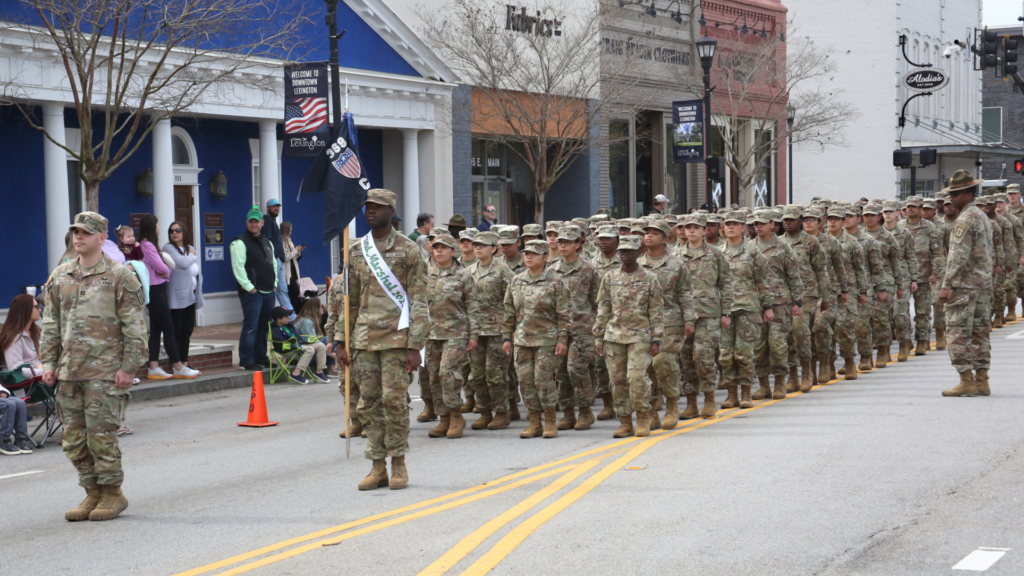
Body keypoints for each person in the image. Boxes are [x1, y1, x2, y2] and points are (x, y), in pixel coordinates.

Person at [40, 211, 147, 521]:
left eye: (86, 232)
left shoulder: (119, 275)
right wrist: (48, 362)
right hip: (69, 372)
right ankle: (92, 493)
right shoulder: (61, 274)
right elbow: (51, 323)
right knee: (74, 441)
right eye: (76, 231)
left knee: (101, 438)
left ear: (102, 238)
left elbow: (135, 326)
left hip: (105, 372)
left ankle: (112, 493)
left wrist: (129, 367)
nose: (78, 237)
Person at [331, 189, 428, 491]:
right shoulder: (357, 250)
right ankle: (377, 467)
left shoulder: (409, 250)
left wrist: (416, 346)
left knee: (394, 403)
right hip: (363, 341)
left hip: (397, 341)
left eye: (377, 207)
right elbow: (350, 300)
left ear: (391, 211)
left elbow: (419, 299)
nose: (370, 211)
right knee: (368, 406)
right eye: (368, 207)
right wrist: (341, 341)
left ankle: (398, 463)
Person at [594, 235, 664, 437]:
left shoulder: (649, 278)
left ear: (638, 253)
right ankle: (625, 421)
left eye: (629, 251)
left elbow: (656, 310)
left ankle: (643, 417)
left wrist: (657, 338)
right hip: (614, 337)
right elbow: (603, 308)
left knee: (636, 378)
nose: (625, 254)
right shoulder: (610, 278)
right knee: (617, 382)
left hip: (640, 336)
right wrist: (598, 337)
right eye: (622, 251)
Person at [502, 239, 571, 439]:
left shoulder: (556, 282)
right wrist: (506, 337)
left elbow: (564, 314)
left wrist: (562, 339)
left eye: (534, 254)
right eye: (526, 253)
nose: (529, 257)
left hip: (547, 341)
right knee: (525, 381)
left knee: (543, 381)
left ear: (545, 257)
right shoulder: (516, 281)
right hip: (522, 341)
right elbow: (509, 311)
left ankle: (550, 421)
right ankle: (534, 422)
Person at [939, 171, 995, 397]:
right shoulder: (981, 216)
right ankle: (982, 380)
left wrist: (947, 285)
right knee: (980, 332)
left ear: (969, 194)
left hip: (964, 286)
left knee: (957, 332)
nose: (951, 197)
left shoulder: (964, 219)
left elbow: (958, 255)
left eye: (956, 193)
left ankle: (966, 380)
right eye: (951, 193)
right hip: (982, 284)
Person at [423, 233, 479, 439]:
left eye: (443, 248)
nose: (438, 251)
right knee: (433, 377)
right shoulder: (426, 274)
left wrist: (474, 334)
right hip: (431, 334)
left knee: (447, 373)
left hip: (456, 333)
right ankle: (444, 418)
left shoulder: (463, 275)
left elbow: (472, 306)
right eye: (435, 247)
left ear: (453, 251)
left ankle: (456, 415)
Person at [638, 220, 693, 429]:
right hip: (644, 323)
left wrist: (689, 319)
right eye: (647, 233)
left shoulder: (676, 264)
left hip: (671, 321)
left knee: (662, 361)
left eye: (654, 233)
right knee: (647, 367)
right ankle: (652, 410)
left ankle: (671, 404)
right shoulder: (638, 264)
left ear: (664, 238)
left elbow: (685, 292)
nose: (648, 236)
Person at [719, 211, 777, 409]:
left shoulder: (753, 252)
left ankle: (746, 393)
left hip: (748, 308)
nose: (731, 227)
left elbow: (763, 282)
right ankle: (731, 395)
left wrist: (768, 307)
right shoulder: (719, 253)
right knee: (726, 355)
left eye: (735, 224)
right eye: (728, 224)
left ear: (744, 228)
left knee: (743, 353)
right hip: (725, 310)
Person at [677, 213, 733, 419]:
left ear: (703, 230)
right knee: (686, 359)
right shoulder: (675, 255)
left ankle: (709, 398)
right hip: (683, 315)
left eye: (695, 227)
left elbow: (725, 283)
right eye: (687, 227)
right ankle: (691, 403)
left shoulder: (716, 254)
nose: (691, 231)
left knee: (703, 356)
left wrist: (726, 312)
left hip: (709, 313)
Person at [549, 226, 599, 432]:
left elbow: (597, 300)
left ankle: (585, 411)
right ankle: (568, 413)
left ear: (578, 244)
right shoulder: (551, 270)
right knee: (560, 372)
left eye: (568, 242)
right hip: (559, 329)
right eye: (560, 242)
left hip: (582, 327)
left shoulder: (589, 269)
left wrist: (597, 327)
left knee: (576, 369)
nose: (562, 246)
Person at [138, 215, 198, 380]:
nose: (160, 228)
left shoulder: (151, 245)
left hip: (159, 289)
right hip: (155, 290)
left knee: (156, 331)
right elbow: (164, 268)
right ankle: (178, 367)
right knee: (169, 329)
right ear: (152, 227)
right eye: (158, 225)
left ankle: (154, 367)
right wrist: (165, 270)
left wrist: (165, 270)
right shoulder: (148, 245)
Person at [466, 231, 515, 430]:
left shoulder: (503, 270)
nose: (477, 248)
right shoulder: (469, 271)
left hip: (497, 330)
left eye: (482, 245)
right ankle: (485, 412)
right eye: (476, 245)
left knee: (495, 375)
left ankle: (502, 413)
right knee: (476, 376)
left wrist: (510, 329)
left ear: (494, 248)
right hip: (475, 330)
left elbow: (514, 299)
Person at [752, 210, 802, 399]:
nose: (758, 227)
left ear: (772, 224)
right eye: (756, 223)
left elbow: (794, 276)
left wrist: (797, 301)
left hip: (780, 302)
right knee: (759, 346)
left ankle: (780, 382)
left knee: (777, 344)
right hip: (756, 303)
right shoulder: (749, 247)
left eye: (762, 223)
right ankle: (764, 385)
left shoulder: (783, 247)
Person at [231, 205, 279, 371]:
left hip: (269, 290)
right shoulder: (239, 242)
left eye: (256, 222)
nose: (254, 224)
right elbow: (238, 267)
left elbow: (273, 264)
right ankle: (246, 360)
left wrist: (275, 284)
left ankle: (261, 357)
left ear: (262, 223)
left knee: (264, 327)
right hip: (252, 293)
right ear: (247, 222)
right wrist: (249, 288)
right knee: (251, 327)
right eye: (251, 222)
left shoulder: (267, 242)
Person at [901, 196, 945, 356]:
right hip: (904, 276)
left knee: (922, 311)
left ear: (920, 209)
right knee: (901, 312)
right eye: (908, 206)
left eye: (913, 206)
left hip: (924, 276)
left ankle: (922, 341)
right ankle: (906, 339)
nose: (910, 209)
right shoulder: (900, 227)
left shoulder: (930, 227)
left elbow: (937, 252)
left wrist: (935, 273)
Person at [163, 221, 205, 368]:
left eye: (178, 230)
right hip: (177, 297)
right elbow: (183, 263)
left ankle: (185, 362)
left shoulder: (190, 248)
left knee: (187, 330)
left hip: (191, 295)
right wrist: (192, 255)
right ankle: (177, 364)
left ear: (184, 232)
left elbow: (194, 270)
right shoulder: (168, 248)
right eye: (171, 231)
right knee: (177, 330)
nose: (174, 233)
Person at [270, 306, 328, 384]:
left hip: (298, 345)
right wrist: (295, 343)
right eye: (286, 317)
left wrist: (304, 342)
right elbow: (280, 343)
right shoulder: (275, 329)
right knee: (310, 350)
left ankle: (319, 371)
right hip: (288, 349)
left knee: (321, 345)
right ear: (279, 320)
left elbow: (297, 337)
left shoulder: (289, 325)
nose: (289, 318)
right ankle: (296, 373)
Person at [263, 198, 295, 317]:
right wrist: (275, 256)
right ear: (268, 208)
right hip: (274, 260)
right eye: (273, 206)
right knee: (274, 290)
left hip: (279, 261)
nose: (276, 208)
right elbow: (267, 241)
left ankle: (292, 317)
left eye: (278, 206)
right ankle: (270, 320)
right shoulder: (267, 221)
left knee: (282, 290)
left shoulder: (272, 221)